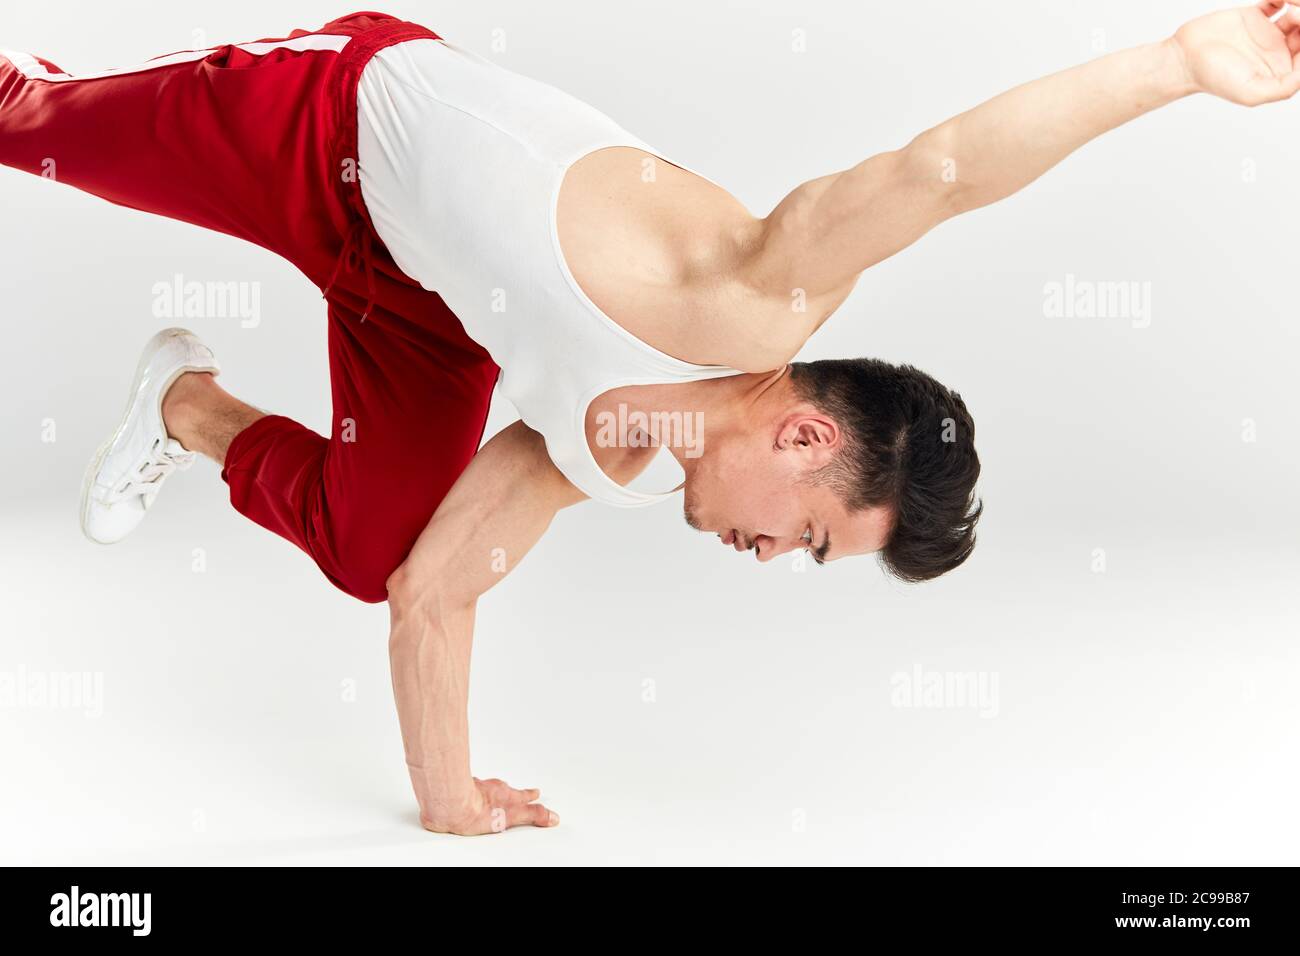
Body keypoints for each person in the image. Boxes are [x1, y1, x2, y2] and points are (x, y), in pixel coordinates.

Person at [3, 4, 1298, 835]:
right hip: (323, 122)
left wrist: (448, 805)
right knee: (26, 127)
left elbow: (435, 596)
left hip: (420, 302)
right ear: (803, 442)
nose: (774, 564)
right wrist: (1180, 66)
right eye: (809, 543)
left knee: (375, 551)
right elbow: (939, 172)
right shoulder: (748, 290)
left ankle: (183, 403)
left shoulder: (615, 469)